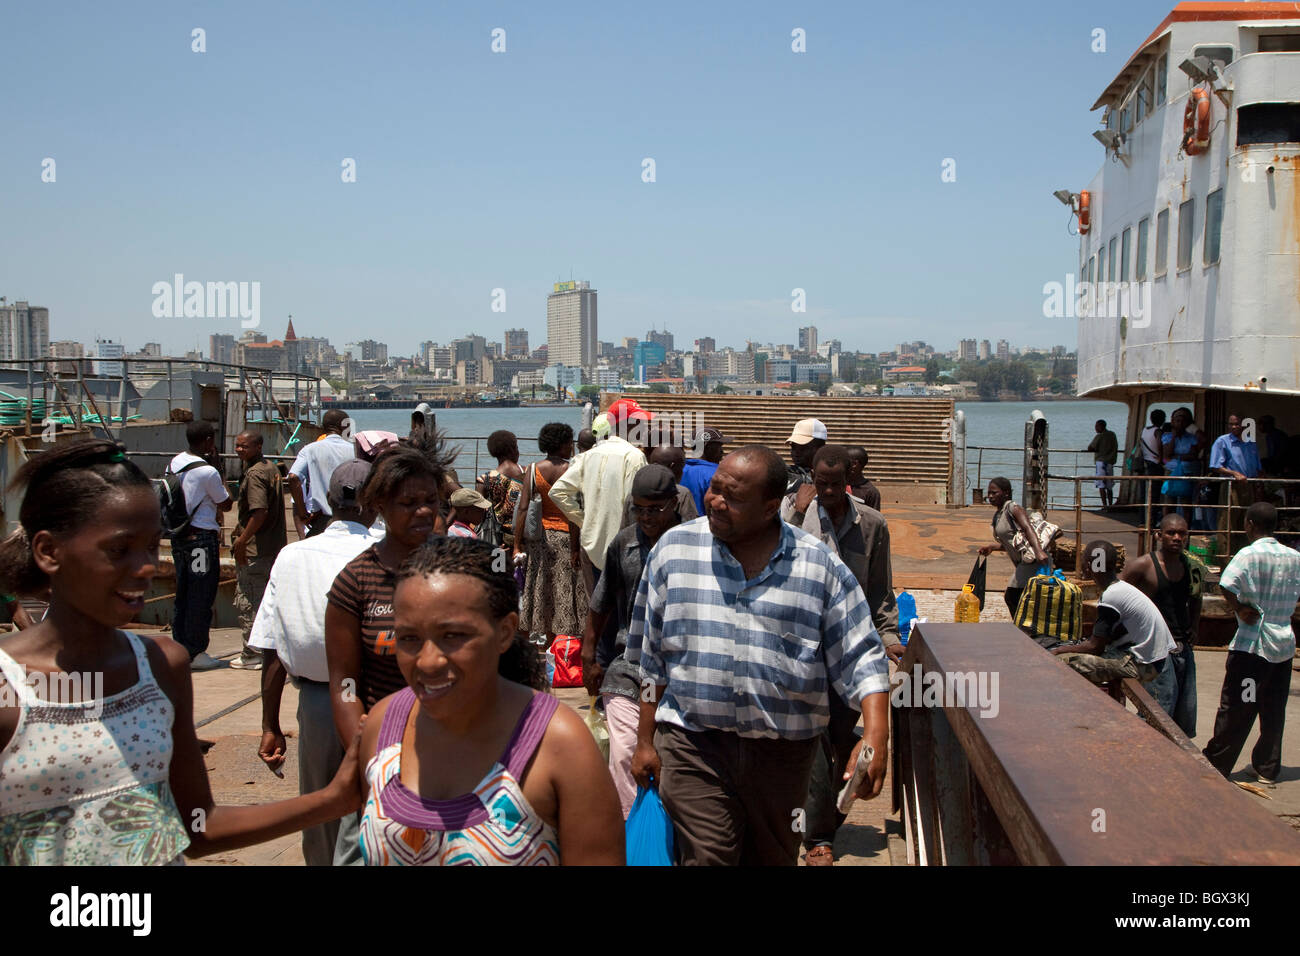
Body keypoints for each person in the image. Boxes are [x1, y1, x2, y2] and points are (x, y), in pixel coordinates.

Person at [0, 439, 363, 865]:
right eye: (119, 550)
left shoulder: (161, 666)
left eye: (152, 546)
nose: (147, 566)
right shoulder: (9, 681)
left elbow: (197, 826)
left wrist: (335, 799)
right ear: (48, 551)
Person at [626, 445, 891, 866]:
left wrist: (876, 734)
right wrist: (643, 740)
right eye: (715, 489)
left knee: (774, 857)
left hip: (784, 756)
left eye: (733, 497)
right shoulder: (672, 553)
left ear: (770, 508)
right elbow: (649, 661)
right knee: (708, 857)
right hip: (694, 747)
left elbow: (862, 656)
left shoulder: (819, 567)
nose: (715, 501)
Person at [356, 536, 623, 865]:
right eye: (409, 638)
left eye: (453, 636)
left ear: (506, 632)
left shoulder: (560, 746)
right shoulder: (384, 727)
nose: (427, 661)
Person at [780, 444, 901, 865]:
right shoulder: (791, 519)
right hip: (803, 651)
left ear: (848, 478)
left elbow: (882, 592)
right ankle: (819, 837)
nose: (827, 492)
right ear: (811, 476)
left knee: (839, 740)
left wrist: (889, 639)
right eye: (821, 483)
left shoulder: (872, 525)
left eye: (835, 484)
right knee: (812, 743)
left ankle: (825, 819)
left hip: (850, 651)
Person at [252, 460, 377, 865]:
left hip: (318, 702)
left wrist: (270, 725)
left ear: (327, 501)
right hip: (377, 700)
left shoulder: (291, 556)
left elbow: (272, 647)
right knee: (371, 811)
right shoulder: (380, 553)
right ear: (374, 504)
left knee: (319, 809)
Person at [326, 446, 445, 865]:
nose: (423, 511)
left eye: (430, 500)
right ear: (379, 506)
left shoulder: (464, 571)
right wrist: (364, 754)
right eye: (408, 503)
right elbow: (344, 684)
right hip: (383, 752)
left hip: (457, 750)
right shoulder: (355, 582)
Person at [581, 464, 683, 818]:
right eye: (638, 508)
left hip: (679, 669)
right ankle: (627, 826)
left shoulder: (695, 542)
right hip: (628, 665)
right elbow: (601, 602)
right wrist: (588, 652)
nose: (646, 517)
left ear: (674, 503)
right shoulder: (623, 543)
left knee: (670, 757)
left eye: (654, 509)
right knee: (625, 752)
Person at [1202, 503, 1300, 785]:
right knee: (1273, 708)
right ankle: (1267, 767)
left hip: (1253, 646)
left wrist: (1240, 608)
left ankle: (1217, 764)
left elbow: (1226, 582)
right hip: (1283, 645)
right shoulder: (1294, 557)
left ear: (1250, 524)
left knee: (1237, 707)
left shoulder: (1249, 554)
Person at [1120, 514, 1203, 735]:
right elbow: (1114, 597)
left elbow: (1196, 598)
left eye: (1182, 534)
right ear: (1159, 535)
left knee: (1184, 710)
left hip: (1182, 645)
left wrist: (1194, 626)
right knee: (1158, 708)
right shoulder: (1142, 566)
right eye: (1171, 533)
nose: (1177, 538)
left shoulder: (1191, 567)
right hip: (1154, 648)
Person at [548, 400, 648, 584]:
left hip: (591, 546)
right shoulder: (634, 456)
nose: (644, 426)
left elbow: (558, 492)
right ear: (628, 424)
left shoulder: (586, 456)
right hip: (623, 550)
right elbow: (634, 504)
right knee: (623, 611)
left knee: (596, 608)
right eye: (640, 421)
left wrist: (583, 521)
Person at [1053, 541, 1174, 691]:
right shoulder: (1121, 588)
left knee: (1061, 661)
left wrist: (1059, 650)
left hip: (1144, 666)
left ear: (1089, 566)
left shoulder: (1111, 596)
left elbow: (1094, 647)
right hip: (1154, 660)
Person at [168, 420, 233, 672]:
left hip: (180, 536)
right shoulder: (208, 471)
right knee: (201, 593)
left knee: (183, 591)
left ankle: (181, 646)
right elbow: (226, 504)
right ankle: (195, 651)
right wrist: (219, 470)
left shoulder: (175, 462)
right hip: (201, 540)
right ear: (208, 441)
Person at [514, 424, 587, 642]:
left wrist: (518, 544)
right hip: (568, 538)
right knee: (567, 590)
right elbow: (574, 510)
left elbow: (524, 509)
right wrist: (575, 548)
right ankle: (565, 643)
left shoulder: (533, 469)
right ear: (565, 444)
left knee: (543, 589)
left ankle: (545, 641)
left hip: (542, 539)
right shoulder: (573, 468)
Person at [229, 431, 287, 671]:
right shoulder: (271, 468)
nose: (240, 450)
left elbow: (259, 511)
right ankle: (267, 649)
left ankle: (253, 652)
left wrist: (242, 541)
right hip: (273, 547)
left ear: (259, 446)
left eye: (245, 446)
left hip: (256, 550)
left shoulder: (254, 474)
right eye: (237, 446)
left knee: (249, 601)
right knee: (267, 600)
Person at [979, 477, 1051, 617]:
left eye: (994, 493)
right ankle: (1025, 628)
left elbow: (1027, 528)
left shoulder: (1013, 508)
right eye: (989, 493)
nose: (990, 497)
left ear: (1006, 493)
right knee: (1024, 599)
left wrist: (1039, 551)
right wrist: (992, 547)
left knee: (1012, 596)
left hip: (1033, 561)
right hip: (1022, 562)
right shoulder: (998, 515)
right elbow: (1012, 543)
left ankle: (1022, 629)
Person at [289, 410, 355, 538]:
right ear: (345, 426)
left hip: (321, 519)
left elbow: (293, 477)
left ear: (324, 427)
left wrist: (303, 513)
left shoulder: (309, 449)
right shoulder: (354, 450)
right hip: (349, 518)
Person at [1211, 413, 1263, 554]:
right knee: (1227, 523)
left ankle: (1243, 557)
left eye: (1237, 424)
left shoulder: (1251, 444)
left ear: (1244, 425)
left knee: (1247, 523)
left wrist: (1259, 487)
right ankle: (1225, 561)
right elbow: (1215, 465)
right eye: (1231, 424)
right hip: (1231, 486)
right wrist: (1234, 473)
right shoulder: (1223, 441)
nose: (1234, 427)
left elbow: (1258, 468)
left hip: (1249, 486)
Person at [622, 444, 698, 528]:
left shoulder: (633, 494)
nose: (645, 517)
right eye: (639, 509)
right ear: (672, 466)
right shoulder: (682, 493)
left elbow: (624, 526)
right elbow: (691, 527)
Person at [475, 430, 525, 550]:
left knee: (500, 568)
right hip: (523, 537)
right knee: (523, 568)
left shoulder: (485, 479)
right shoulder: (528, 473)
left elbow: (477, 512)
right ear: (513, 449)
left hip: (497, 541)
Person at [1161, 407, 1203, 521]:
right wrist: (1174, 437)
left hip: (1186, 472)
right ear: (1173, 421)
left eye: (1183, 420)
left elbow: (1193, 455)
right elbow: (1167, 454)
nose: (1180, 423)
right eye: (1177, 420)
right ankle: (1166, 526)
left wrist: (1177, 456)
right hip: (1171, 472)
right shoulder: (1167, 436)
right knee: (1169, 502)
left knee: (1186, 504)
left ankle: (1186, 530)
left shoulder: (1191, 438)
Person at [681, 426, 727, 515]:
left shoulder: (680, 469)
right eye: (719, 447)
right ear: (708, 448)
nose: (722, 451)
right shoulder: (717, 473)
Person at [785, 418, 827, 494]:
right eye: (793, 447)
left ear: (820, 448)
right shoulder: (785, 476)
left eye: (803, 447)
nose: (796, 453)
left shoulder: (833, 479)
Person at [1088, 419, 1119, 510]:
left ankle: (1104, 505)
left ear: (1101, 426)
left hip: (1101, 462)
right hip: (1110, 462)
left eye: (1097, 426)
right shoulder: (1112, 435)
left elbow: (1090, 447)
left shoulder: (1099, 436)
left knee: (1101, 485)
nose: (1095, 428)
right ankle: (1110, 504)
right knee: (1109, 485)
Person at [846, 446, 881, 511]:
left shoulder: (871, 492)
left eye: (844, 461)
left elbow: (874, 518)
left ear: (854, 464)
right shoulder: (838, 485)